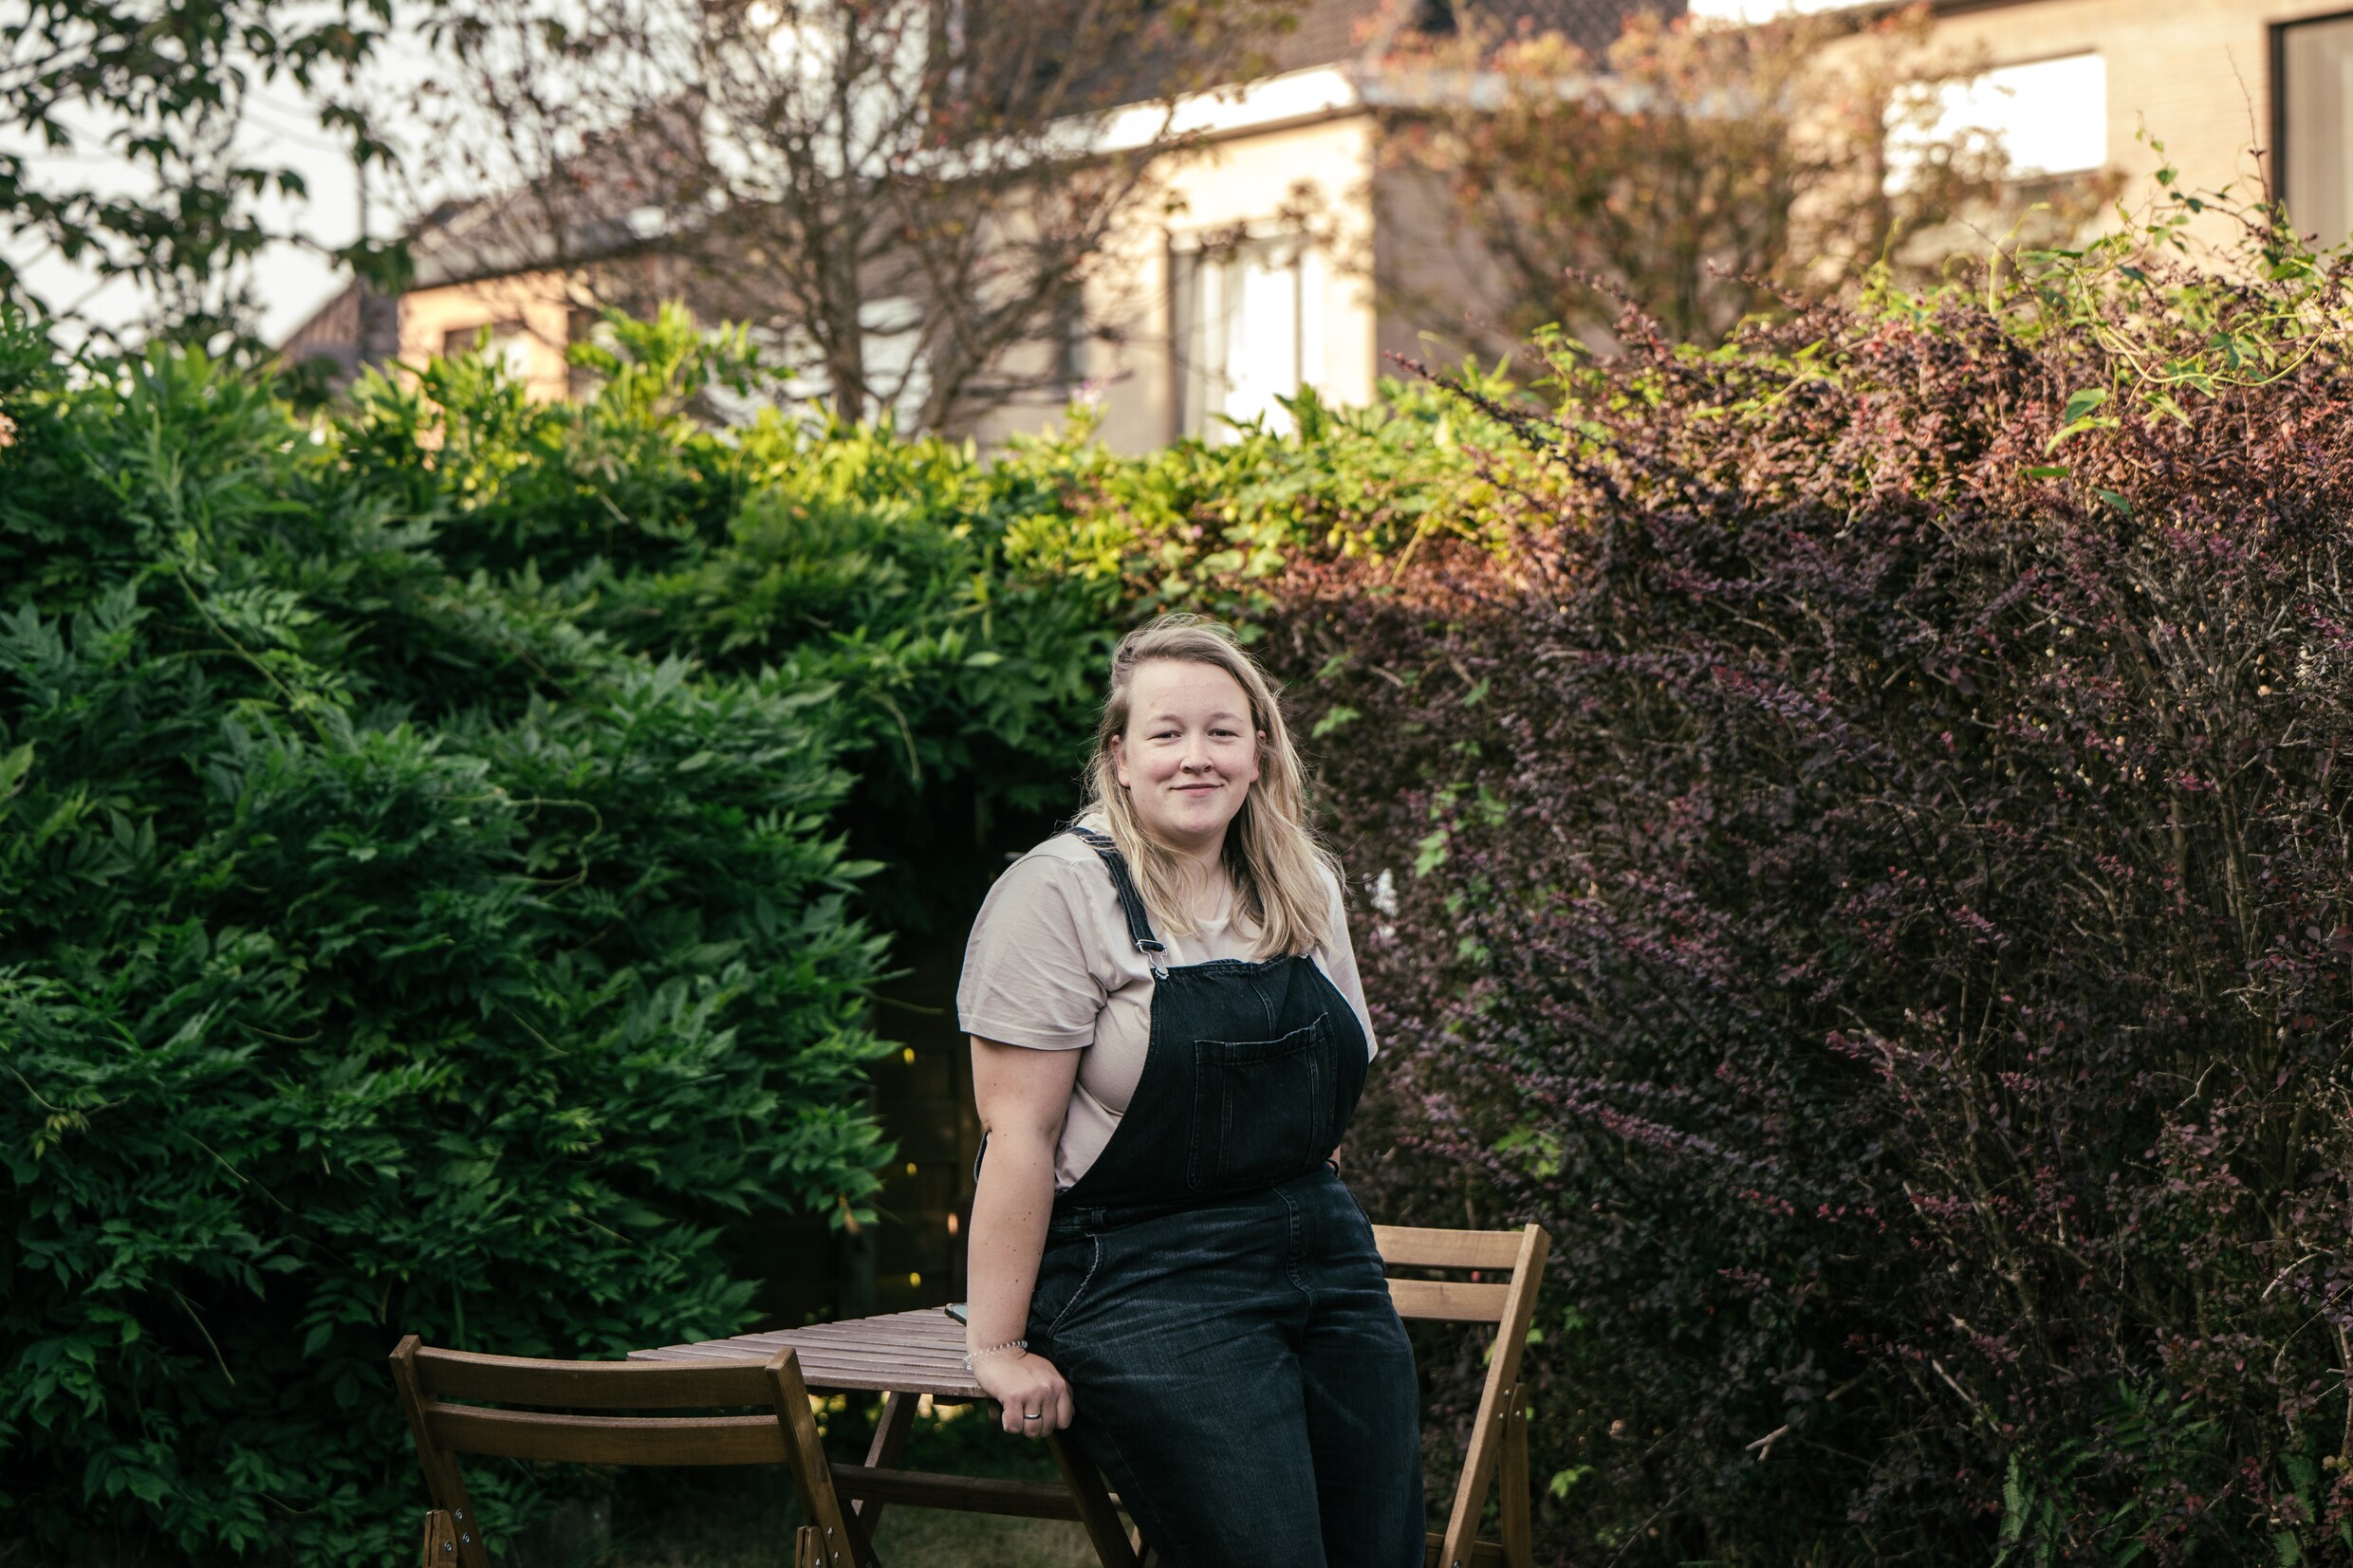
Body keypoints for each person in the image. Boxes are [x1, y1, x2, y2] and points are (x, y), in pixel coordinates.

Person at [954, 614, 1423, 1568]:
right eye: (1166, 733)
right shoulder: (1057, 894)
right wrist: (998, 1348)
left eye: (1222, 732)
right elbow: (1018, 1134)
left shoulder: (1301, 882)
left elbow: (1328, 1092)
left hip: (1321, 1252)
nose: (1196, 757)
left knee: (1380, 1549)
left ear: (1259, 752)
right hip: (1137, 1271)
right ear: (1119, 758)